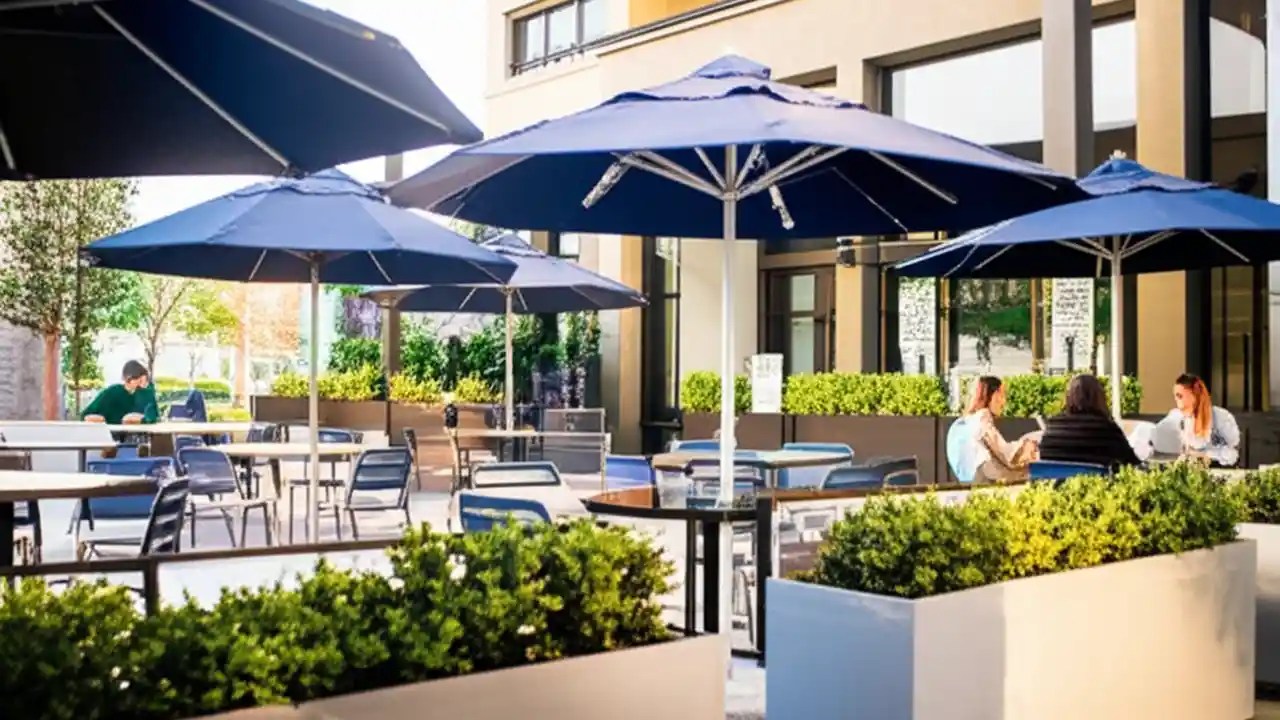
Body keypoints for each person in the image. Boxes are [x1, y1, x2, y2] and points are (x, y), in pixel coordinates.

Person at [1038, 374, 1141, 471]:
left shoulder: (1053, 426)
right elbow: (1132, 463)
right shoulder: (1106, 429)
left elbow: (1044, 458)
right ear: (1099, 398)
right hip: (1096, 487)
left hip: (1054, 487)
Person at [947, 376, 1037, 483]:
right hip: (984, 476)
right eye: (1002, 395)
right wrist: (1025, 446)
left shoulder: (967, 420)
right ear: (994, 395)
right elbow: (1002, 452)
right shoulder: (983, 417)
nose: (1004, 402)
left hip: (970, 479)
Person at [1155, 373, 1240, 466]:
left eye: (1180, 396)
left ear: (1194, 395)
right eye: (1175, 396)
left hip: (1217, 470)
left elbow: (1233, 452)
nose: (1176, 400)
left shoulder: (1220, 417)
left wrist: (1206, 455)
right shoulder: (1176, 416)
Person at [82, 360, 158, 425]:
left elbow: (153, 416)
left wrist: (142, 419)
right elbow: (86, 415)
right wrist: (100, 420)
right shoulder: (113, 392)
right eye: (139, 381)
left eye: (144, 381)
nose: (142, 386)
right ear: (128, 379)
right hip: (114, 435)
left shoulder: (147, 393)